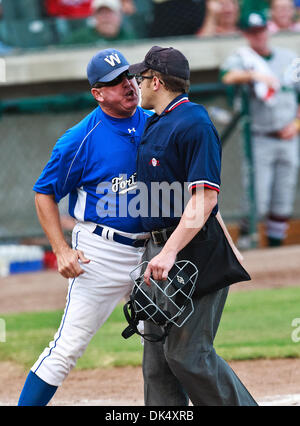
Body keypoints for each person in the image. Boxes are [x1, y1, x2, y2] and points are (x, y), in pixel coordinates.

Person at [17, 48, 152, 406]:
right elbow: (44, 192)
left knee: (169, 348)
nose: (127, 86)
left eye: (128, 77)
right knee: (67, 349)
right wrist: (61, 249)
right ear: (97, 93)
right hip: (101, 254)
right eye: (114, 82)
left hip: (152, 253)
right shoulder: (80, 138)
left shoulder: (156, 121)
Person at [128, 46, 257, 406]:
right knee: (157, 364)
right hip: (160, 253)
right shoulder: (156, 122)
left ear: (156, 81)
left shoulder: (194, 122)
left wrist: (170, 252)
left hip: (190, 253)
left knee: (189, 356)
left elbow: (205, 199)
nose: (137, 84)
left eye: (141, 78)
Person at [221, 11, 300, 248]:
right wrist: (255, 75)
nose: (259, 37)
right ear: (246, 34)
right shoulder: (243, 59)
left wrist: (296, 125)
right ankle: (247, 242)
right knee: (259, 198)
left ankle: (276, 252)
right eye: (253, 33)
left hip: (289, 135)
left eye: (262, 30)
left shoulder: (289, 58)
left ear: (269, 29)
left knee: (283, 197)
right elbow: (227, 76)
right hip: (260, 136)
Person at [61, 0, 136, 45]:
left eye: (110, 12)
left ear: (119, 15)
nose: (106, 17)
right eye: (101, 13)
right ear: (94, 16)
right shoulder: (79, 39)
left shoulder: (130, 38)